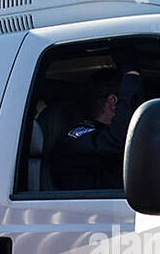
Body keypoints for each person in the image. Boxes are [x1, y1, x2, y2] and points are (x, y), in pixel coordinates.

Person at [50, 61, 142, 191]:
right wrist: (131, 77)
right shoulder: (76, 139)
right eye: (132, 103)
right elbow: (116, 142)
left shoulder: (105, 135)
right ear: (113, 102)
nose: (139, 112)